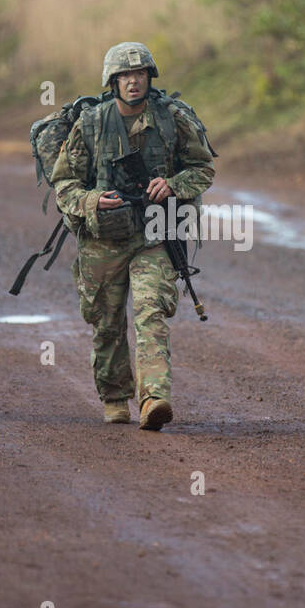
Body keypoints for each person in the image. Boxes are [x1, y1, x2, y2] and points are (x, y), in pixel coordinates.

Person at [49, 42, 215, 430]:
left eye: (139, 73)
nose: (133, 81)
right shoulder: (90, 123)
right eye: (124, 75)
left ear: (149, 77)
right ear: (112, 82)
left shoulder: (172, 118)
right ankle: (114, 397)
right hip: (103, 240)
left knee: (150, 312)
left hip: (155, 235)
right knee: (106, 323)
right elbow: (64, 183)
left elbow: (203, 169)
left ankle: (154, 397)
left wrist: (172, 185)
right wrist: (92, 200)